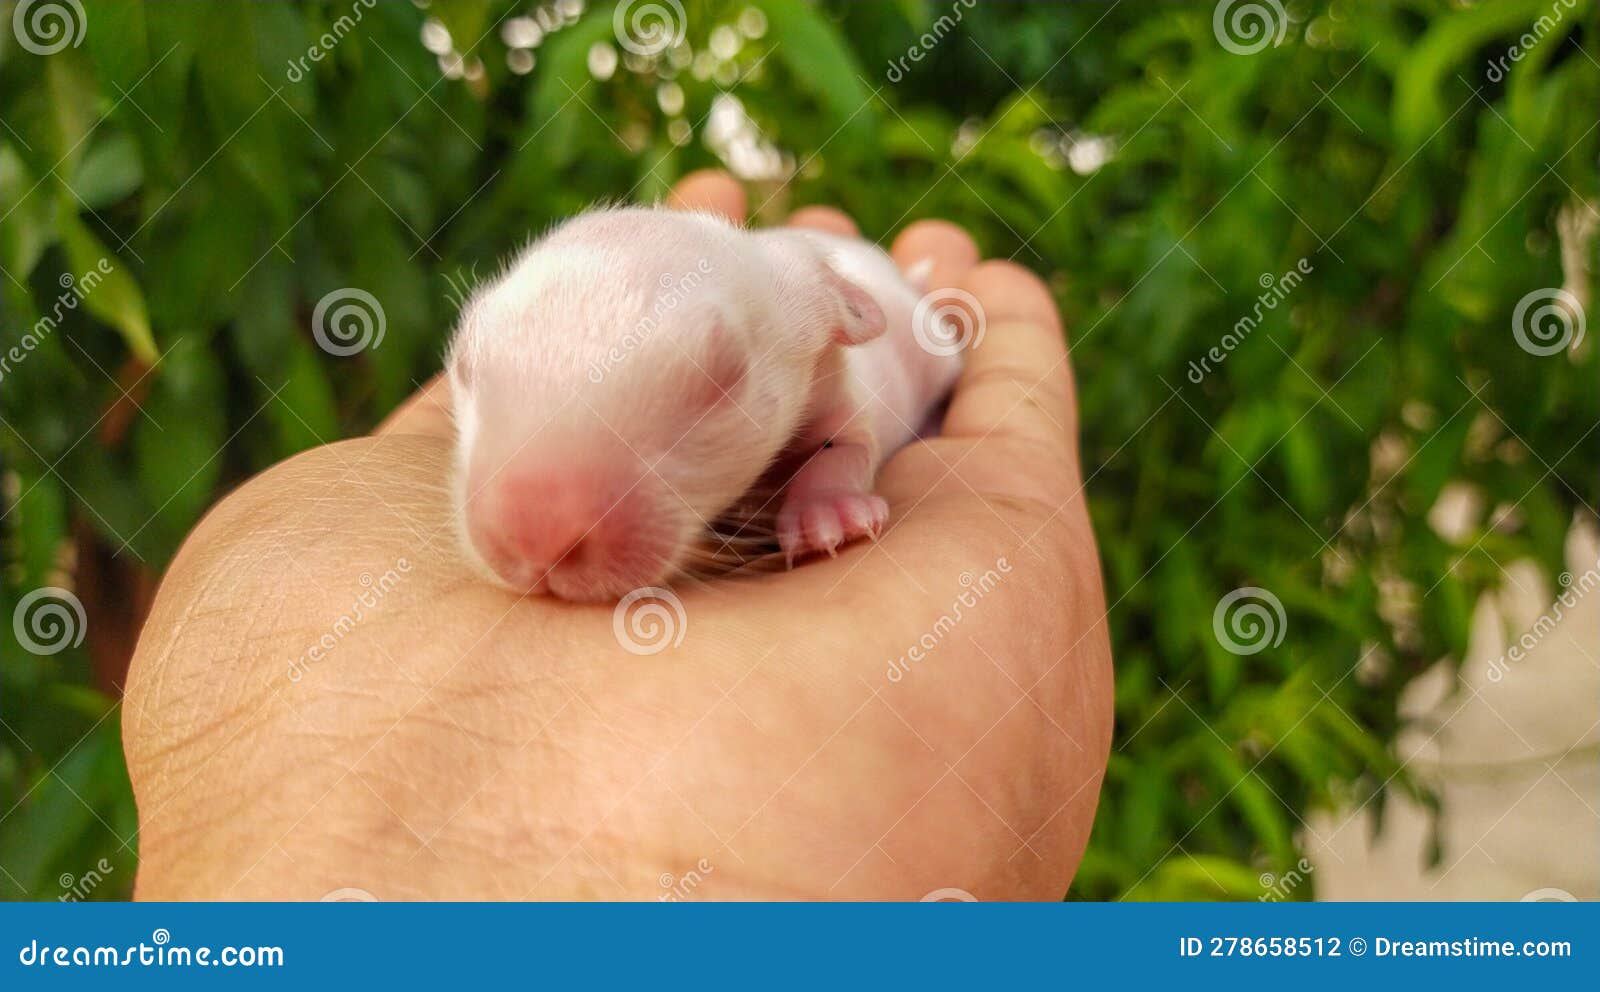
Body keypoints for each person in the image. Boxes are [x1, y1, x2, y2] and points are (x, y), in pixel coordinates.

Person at [122, 170, 1112, 900]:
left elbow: (849, 422)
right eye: (476, 376)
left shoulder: (820, 313)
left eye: (710, 384)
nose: (536, 537)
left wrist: (829, 479)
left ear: (822, 329)